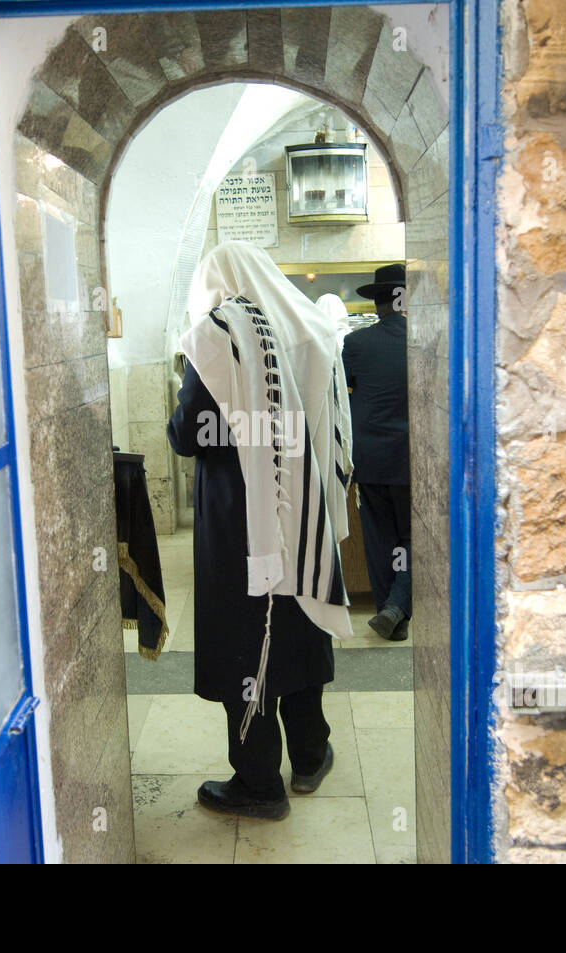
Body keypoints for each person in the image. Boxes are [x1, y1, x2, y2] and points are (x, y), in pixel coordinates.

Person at [167, 241, 353, 821]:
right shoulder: (309, 327)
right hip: (305, 506)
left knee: (247, 631)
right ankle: (310, 752)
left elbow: (190, 434)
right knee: (297, 618)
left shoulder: (220, 336)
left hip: (241, 518)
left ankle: (258, 783)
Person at [342, 263, 412, 641]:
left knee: (380, 539)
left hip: (369, 459)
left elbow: (341, 391)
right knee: (413, 539)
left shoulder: (356, 344)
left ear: (379, 304)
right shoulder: (426, 342)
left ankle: (393, 613)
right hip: (413, 461)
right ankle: (396, 608)